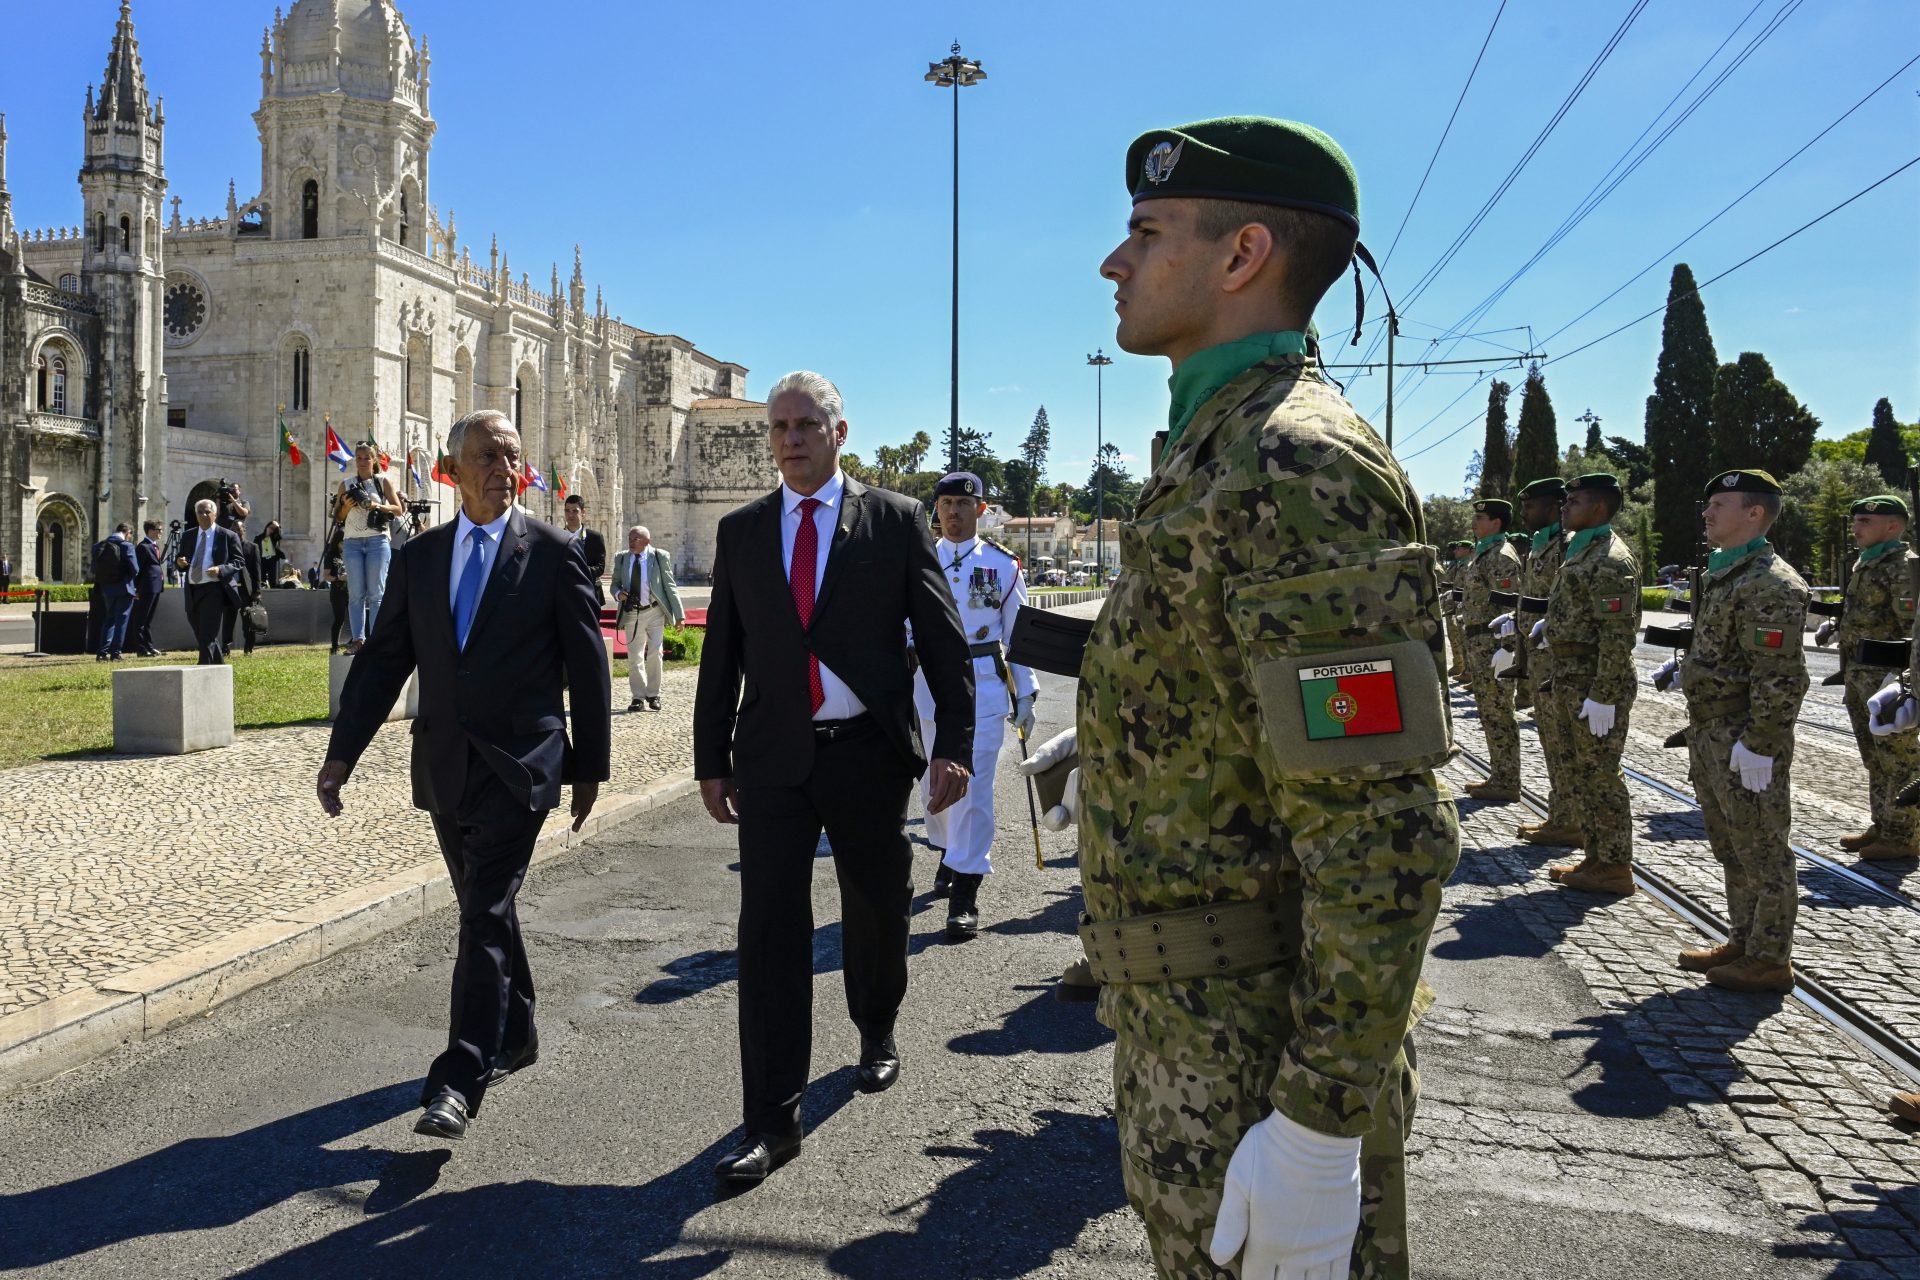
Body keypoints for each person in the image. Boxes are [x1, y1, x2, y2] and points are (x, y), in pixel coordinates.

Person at [1023, 117, 1460, 1279]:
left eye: (1146, 231)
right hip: (1192, 1032)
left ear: (1242, 254)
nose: (1114, 262)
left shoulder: (1295, 463)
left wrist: (1320, 1126)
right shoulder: (1216, 450)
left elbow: (1384, 833)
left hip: (1259, 1053)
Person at [693, 369, 974, 1186]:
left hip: (867, 754)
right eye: (779, 426)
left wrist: (953, 742)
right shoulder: (743, 532)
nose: (789, 439)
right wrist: (712, 758)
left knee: (877, 906)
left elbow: (945, 640)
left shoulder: (893, 520)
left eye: (805, 425)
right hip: (774, 759)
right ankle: (772, 1119)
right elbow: (722, 658)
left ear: (839, 432)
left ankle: (876, 1022)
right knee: (769, 936)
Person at [317, 408, 610, 1141]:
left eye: (512, 456)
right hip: (446, 763)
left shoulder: (552, 552)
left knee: (481, 912)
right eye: (487, 456)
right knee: (488, 907)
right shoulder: (420, 557)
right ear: (451, 469)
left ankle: (459, 1076)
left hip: (523, 765)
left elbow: (587, 666)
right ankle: (518, 1032)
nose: (504, 470)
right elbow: (386, 661)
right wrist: (341, 754)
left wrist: (590, 768)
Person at [1666, 469, 1808, 994]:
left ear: (1755, 514)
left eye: (1719, 505)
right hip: (1712, 733)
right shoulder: (1729, 573)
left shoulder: (1771, 582)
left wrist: (1761, 744)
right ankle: (1745, 940)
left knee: (1764, 849)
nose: (1707, 513)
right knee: (1730, 844)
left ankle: (1770, 959)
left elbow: (1782, 676)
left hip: (1744, 737)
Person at [912, 471, 1037, 941]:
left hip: (982, 686)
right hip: (927, 686)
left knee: (974, 786)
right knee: (933, 786)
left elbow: (1018, 636)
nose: (953, 512)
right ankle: (947, 850)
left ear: (981, 510)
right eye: (945, 503)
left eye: (963, 504)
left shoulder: (1003, 567)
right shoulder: (919, 559)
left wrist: (1024, 693)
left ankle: (967, 885)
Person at [1537, 474, 1641, 894]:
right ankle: (1596, 857)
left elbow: (1617, 635)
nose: (1565, 507)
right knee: (1580, 771)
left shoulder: (1610, 559)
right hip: (1571, 676)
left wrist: (1603, 694)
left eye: (1574, 501)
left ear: (1598, 508)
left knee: (1601, 775)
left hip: (1595, 682)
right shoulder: (1582, 549)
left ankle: (1615, 865)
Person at [1825, 495, 1920, 861]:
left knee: (1899, 759)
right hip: (1860, 678)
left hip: (1888, 682)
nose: (1856, 527)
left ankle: (1903, 835)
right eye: (1856, 520)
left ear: (1892, 526)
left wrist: (1905, 683)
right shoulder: (1869, 563)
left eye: (1865, 521)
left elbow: (1913, 632)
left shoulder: (1902, 568)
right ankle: (1883, 824)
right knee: (1875, 758)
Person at [1511, 477, 1579, 846]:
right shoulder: (1541, 547)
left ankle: (1570, 819)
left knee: (1563, 742)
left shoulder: (1566, 547)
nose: (1525, 512)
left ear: (1553, 507)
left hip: (1558, 660)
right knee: (1551, 741)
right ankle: (1561, 815)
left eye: (1531, 506)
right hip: (1539, 658)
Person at [1462, 497, 1525, 801]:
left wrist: (1508, 649)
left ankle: (1507, 779)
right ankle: (1500, 774)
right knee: (1490, 712)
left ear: (1497, 523)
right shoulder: (1484, 553)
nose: (1474, 524)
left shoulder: (1501, 556)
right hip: (1480, 645)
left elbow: (1511, 607)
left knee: (1500, 712)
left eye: (1481, 518)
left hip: (1494, 648)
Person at [333, 443, 405, 654]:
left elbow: (398, 509)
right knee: (356, 594)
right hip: (353, 542)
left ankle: (377, 640)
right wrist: (346, 506)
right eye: (359, 457)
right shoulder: (346, 484)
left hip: (377, 540)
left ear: (374, 460)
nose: (362, 461)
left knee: (376, 594)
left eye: (366, 457)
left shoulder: (383, 482)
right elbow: (337, 517)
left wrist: (375, 506)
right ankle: (358, 640)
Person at [612, 524, 684, 711]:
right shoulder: (621, 558)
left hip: (654, 611)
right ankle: (637, 697)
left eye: (635, 538)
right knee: (634, 657)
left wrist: (680, 616)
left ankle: (653, 694)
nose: (631, 541)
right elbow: (614, 584)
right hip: (632, 612)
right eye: (630, 538)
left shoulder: (659, 557)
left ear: (647, 541)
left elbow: (670, 585)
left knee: (655, 653)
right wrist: (619, 593)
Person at [175, 499, 245, 664]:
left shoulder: (227, 535)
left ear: (215, 514)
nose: (204, 515)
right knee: (200, 631)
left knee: (208, 632)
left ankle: (203, 668)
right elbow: (181, 560)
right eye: (200, 512)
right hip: (192, 589)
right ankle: (218, 667)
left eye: (207, 512)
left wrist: (221, 569)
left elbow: (238, 562)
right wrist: (180, 563)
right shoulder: (188, 535)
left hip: (214, 588)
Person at [92, 523, 138, 661]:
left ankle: (102, 652)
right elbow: (135, 569)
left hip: (107, 588)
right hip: (124, 588)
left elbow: (94, 568)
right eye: (130, 535)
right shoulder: (127, 546)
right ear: (128, 532)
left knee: (109, 619)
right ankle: (116, 653)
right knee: (121, 621)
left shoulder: (99, 546)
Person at [561, 494, 608, 607]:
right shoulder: (557, 536)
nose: (570, 515)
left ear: (583, 512)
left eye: (575, 511)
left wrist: (579, 570)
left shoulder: (595, 538)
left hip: (589, 594)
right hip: (563, 594)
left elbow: (600, 567)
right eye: (567, 511)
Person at [132, 520, 166, 656]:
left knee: (148, 620)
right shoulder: (143, 547)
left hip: (155, 587)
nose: (161, 533)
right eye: (159, 530)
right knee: (141, 619)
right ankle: (141, 649)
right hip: (146, 587)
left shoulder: (154, 546)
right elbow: (137, 570)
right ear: (151, 531)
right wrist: (136, 589)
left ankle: (149, 646)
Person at [1442, 540, 1472, 679]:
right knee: (1456, 637)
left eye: (1458, 548)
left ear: (1467, 550)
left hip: (1461, 606)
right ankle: (1462, 667)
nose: (1455, 551)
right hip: (1454, 606)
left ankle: (1466, 670)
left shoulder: (1466, 565)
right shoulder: (1459, 565)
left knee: (1462, 639)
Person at [324, 537, 350, 653]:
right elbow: (326, 576)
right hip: (337, 591)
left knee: (356, 615)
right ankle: (334, 645)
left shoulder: (351, 553)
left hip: (351, 590)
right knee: (339, 618)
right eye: (342, 542)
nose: (344, 544)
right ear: (337, 542)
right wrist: (339, 578)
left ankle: (356, 641)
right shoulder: (331, 555)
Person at [255, 520, 287, 591]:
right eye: (271, 527)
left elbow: (279, 536)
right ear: (267, 527)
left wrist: (277, 528)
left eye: (274, 529)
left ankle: (273, 591)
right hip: (262, 560)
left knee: (272, 580)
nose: (272, 530)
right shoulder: (258, 538)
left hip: (272, 559)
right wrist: (267, 533)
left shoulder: (275, 537)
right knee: (262, 579)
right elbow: (255, 548)